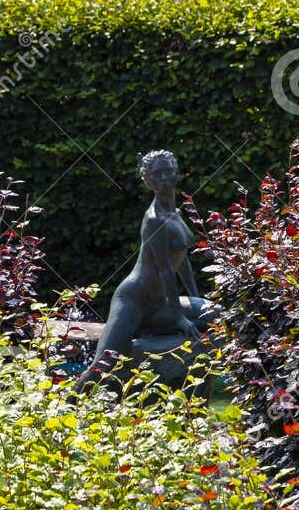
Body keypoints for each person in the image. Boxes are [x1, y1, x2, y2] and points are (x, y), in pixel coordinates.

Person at [78, 149, 217, 389]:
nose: (164, 178)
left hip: (159, 302)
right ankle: (69, 403)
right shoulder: (153, 219)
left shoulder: (176, 213)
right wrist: (179, 317)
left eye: (168, 172)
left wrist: (194, 296)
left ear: (176, 174)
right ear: (148, 180)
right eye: (157, 174)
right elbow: (165, 270)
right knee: (103, 366)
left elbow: (181, 259)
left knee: (214, 314)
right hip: (133, 300)